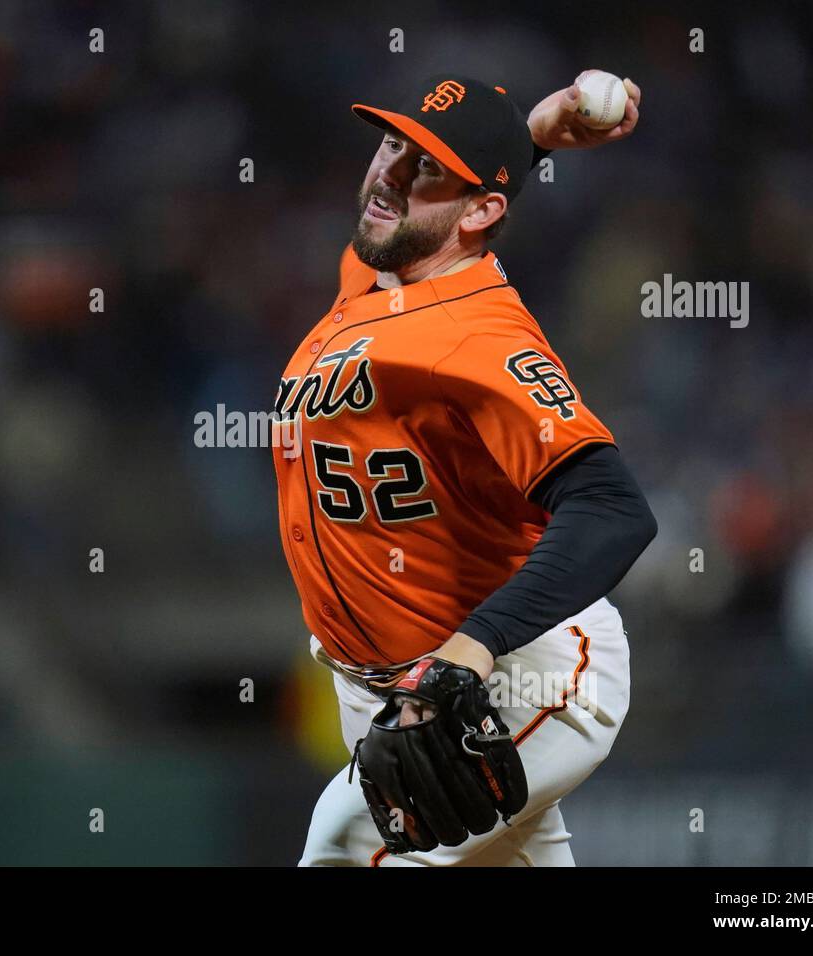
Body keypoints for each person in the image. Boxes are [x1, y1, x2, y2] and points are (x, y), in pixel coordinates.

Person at [271, 73, 655, 866]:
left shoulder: (483, 338)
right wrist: (533, 138)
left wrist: (469, 652)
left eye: (428, 170)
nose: (392, 176)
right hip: (384, 685)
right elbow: (417, 223)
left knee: (344, 847)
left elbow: (612, 508)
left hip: (512, 674)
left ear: (481, 212)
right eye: (393, 146)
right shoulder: (378, 280)